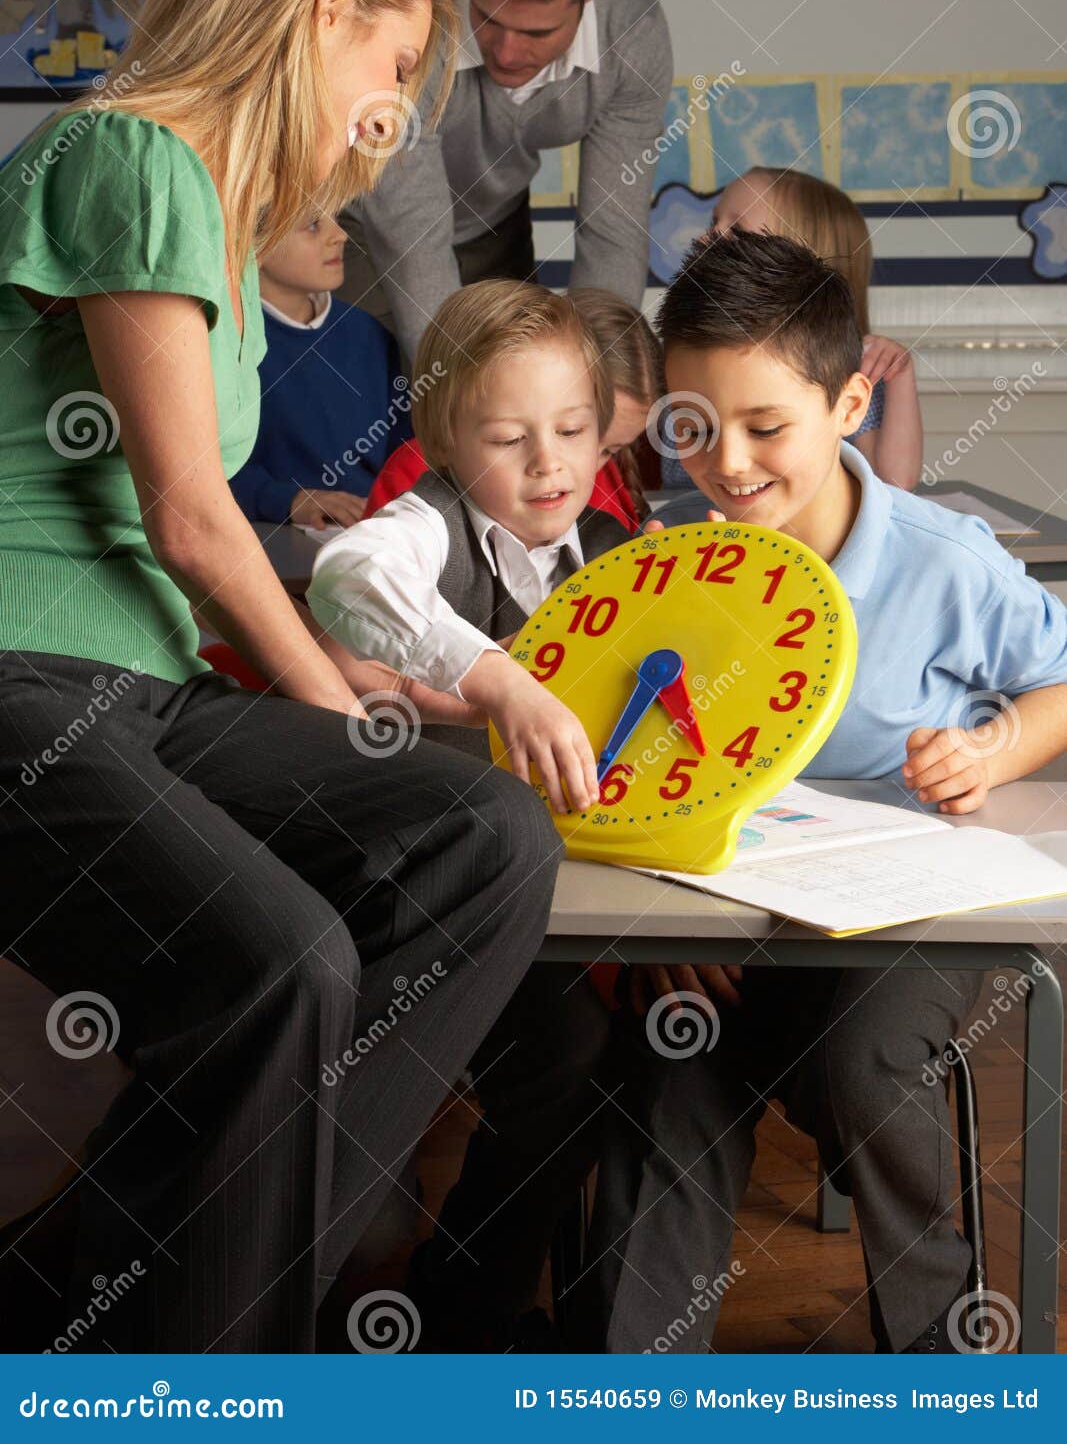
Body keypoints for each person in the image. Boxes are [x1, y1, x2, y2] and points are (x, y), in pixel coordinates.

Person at [0, 0, 562, 1354]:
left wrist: (386, 704)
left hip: (143, 689)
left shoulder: (216, 228)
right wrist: (331, 700)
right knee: (281, 961)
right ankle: (185, 1335)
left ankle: (130, 1307)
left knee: (480, 835)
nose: (383, 117)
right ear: (326, 8)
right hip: (21, 682)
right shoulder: (135, 154)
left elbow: (199, 566)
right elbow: (192, 520)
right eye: (387, 69)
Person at [574, 228, 1067, 1355]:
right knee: (668, 1050)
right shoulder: (668, 575)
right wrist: (652, 917)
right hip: (719, 919)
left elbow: (1055, 679)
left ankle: (946, 1363)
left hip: (899, 923)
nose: (728, 463)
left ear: (848, 405)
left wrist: (987, 752)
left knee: (866, 1060)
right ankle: (631, 1385)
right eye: (696, 428)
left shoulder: (942, 559)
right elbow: (615, 769)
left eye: (765, 427)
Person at [307, 279, 632, 1348]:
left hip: (569, 897)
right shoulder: (421, 526)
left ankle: (480, 1307)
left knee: (603, 1058)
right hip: (423, 900)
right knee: (554, 1057)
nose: (549, 463)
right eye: (507, 436)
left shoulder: (616, 556)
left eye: (574, 429)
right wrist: (489, 678)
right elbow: (347, 574)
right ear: (445, 436)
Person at [340, 0, 674, 364]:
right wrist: (451, 392)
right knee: (392, 394)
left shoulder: (633, 38)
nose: (507, 52)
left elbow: (612, 234)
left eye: (537, 33)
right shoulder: (408, 21)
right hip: (362, 226)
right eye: (488, 19)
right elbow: (414, 238)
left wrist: (602, 385)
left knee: (528, 383)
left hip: (493, 225)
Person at [363, 285, 662, 531]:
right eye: (509, 438)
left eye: (610, 449)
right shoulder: (414, 486)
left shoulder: (607, 503)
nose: (554, 463)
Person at [706, 166, 922, 489]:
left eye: (735, 230)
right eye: (713, 223)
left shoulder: (851, 365)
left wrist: (899, 374)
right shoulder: (693, 350)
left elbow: (893, 481)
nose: (705, 239)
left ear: (802, 259)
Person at [229, 208, 409, 529]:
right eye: (312, 225)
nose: (340, 235)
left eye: (337, 219)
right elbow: (204, 471)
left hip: (373, 533)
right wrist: (287, 501)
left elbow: (404, 452)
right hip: (268, 533)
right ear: (254, 244)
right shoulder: (226, 341)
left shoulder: (369, 335)